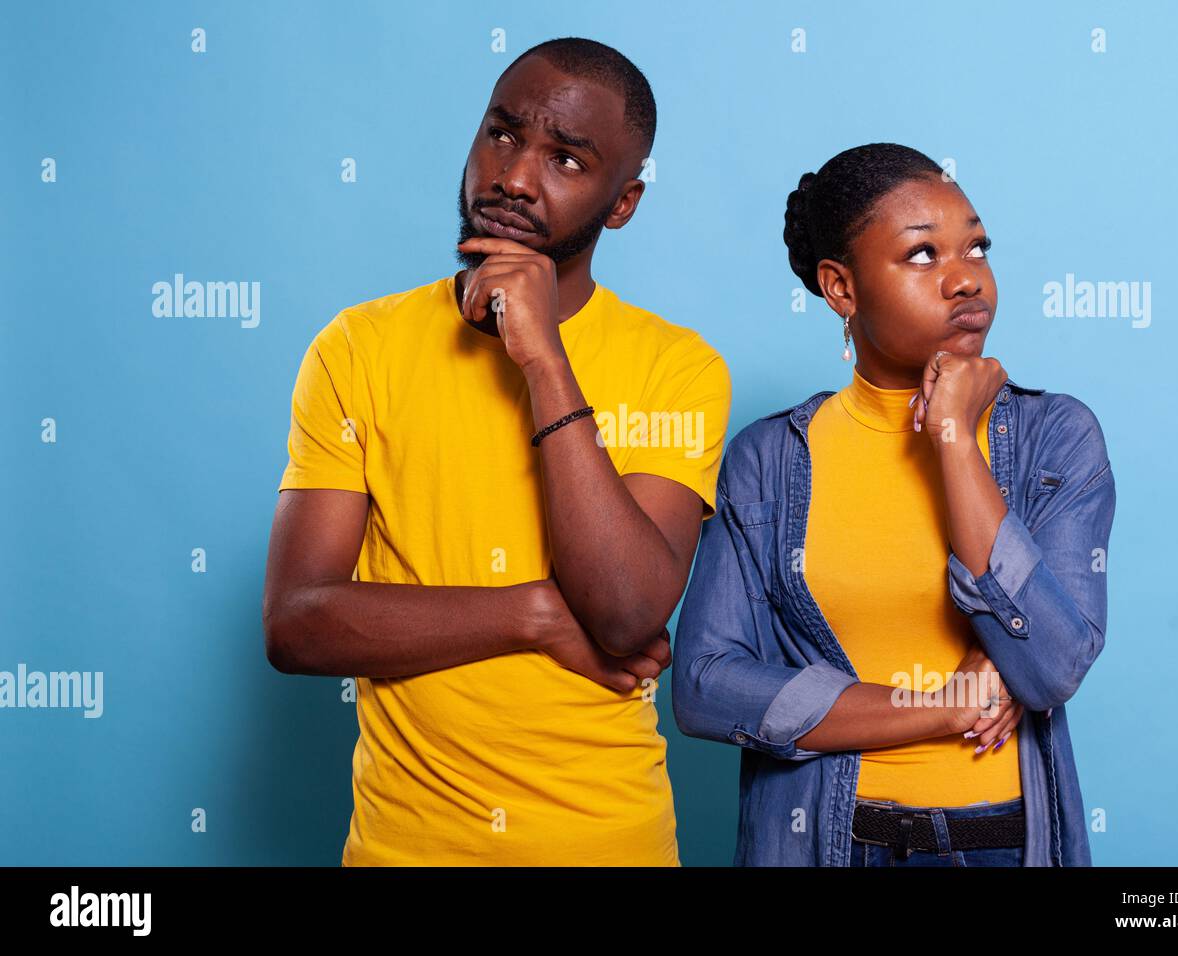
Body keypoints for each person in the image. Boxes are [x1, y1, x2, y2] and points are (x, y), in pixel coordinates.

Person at [262, 37, 730, 866]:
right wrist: (535, 615)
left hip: (604, 843)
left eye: (567, 159)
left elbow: (626, 614)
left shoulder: (679, 368)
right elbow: (299, 625)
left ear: (622, 203)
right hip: (401, 850)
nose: (514, 177)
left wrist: (544, 359)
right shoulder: (358, 347)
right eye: (503, 134)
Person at [671, 143, 1115, 867]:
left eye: (976, 246)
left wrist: (952, 438)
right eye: (921, 256)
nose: (965, 279)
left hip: (1005, 842)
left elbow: (1052, 666)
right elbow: (705, 686)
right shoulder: (770, 460)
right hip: (828, 843)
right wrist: (941, 706)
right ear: (840, 288)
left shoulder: (1054, 438)